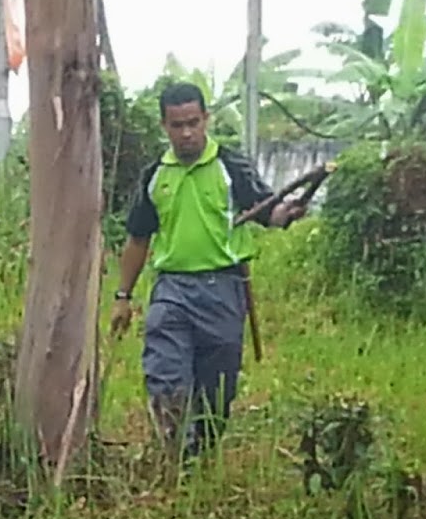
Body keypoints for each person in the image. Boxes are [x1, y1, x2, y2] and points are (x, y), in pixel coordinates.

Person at [110, 82, 305, 458]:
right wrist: (123, 296)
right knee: (165, 376)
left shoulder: (231, 166)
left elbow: (267, 210)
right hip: (172, 291)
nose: (186, 133)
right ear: (164, 126)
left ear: (206, 120)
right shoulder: (155, 176)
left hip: (223, 290)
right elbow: (138, 239)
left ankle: (201, 458)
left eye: (193, 123)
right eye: (177, 125)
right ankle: (175, 457)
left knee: (216, 393)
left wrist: (286, 215)